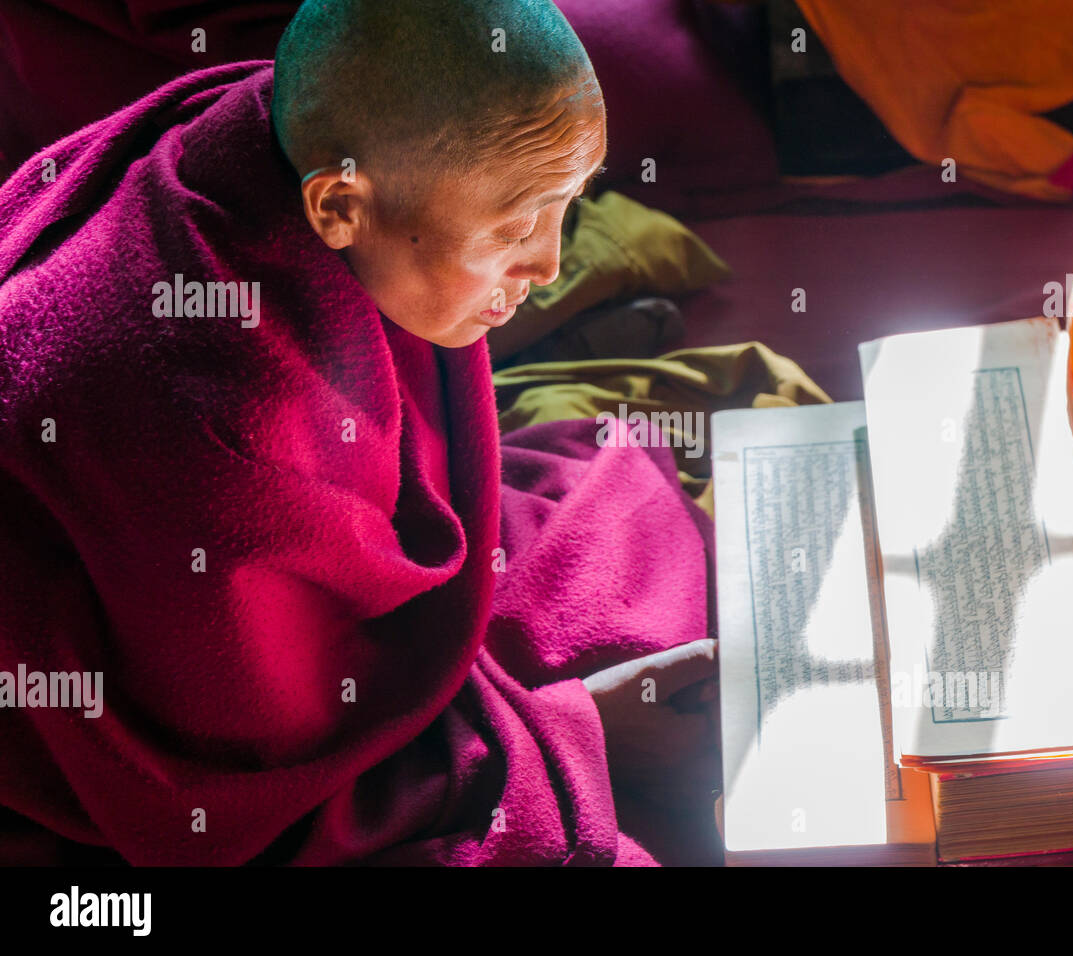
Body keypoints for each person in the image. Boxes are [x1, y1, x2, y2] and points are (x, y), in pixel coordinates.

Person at [0, 0, 719, 866]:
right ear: (339, 205)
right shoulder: (230, 435)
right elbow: (259, 798)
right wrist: (579, 733)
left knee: (618, 512)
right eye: (514, 226)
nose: (548, 265)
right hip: (98, 694)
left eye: (567, 206)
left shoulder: (258, 114)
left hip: (275, 543)